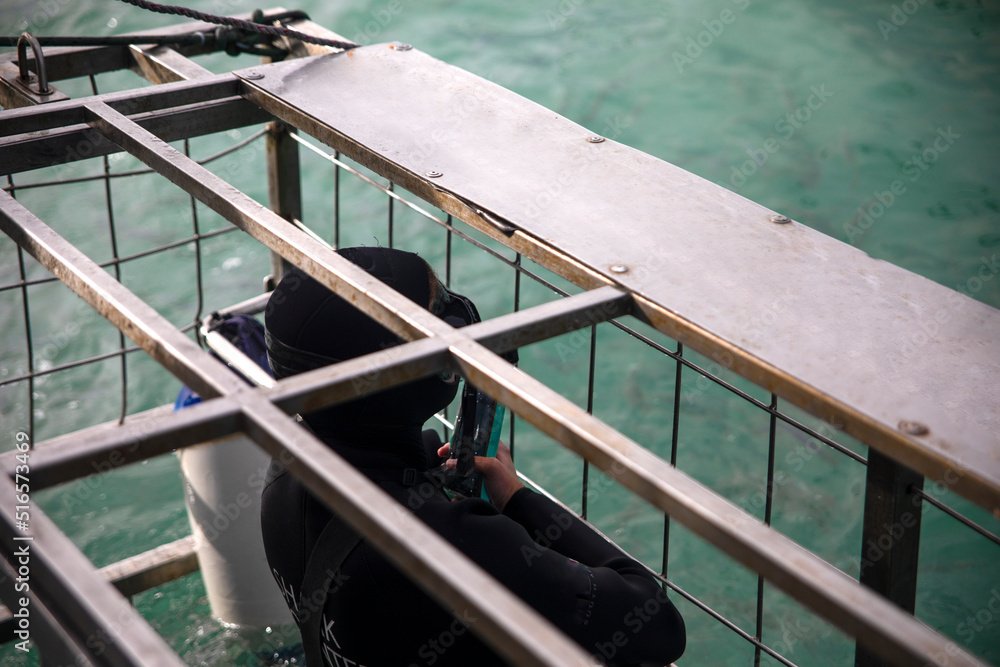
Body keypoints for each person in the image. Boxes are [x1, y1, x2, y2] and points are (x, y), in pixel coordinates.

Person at [259, 246, 686, 666]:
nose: (458, 316)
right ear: (391, 378)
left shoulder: (281, 476)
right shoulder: (457, 548)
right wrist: (520, 501)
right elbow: (657, 623)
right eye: (436, 313)